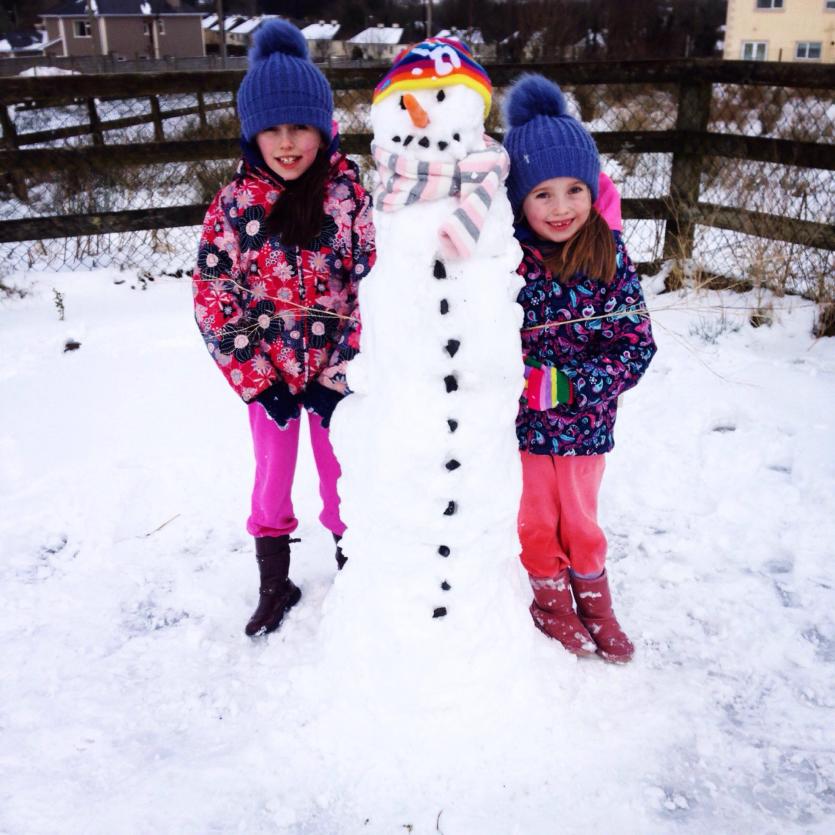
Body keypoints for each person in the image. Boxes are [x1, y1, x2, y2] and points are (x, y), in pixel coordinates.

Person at [192, 21, 375, 637]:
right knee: (272, 478)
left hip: (335, 376)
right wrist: (258, 378)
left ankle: (358, 569)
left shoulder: (348, 197)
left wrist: (341, 369)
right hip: (265, 372)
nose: (287, 142)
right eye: (272, 129)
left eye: (299, 127)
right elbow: (214, 296)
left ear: (323, 129)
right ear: (252, 134)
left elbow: (372, 284)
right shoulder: (235, 207)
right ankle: (276, 580)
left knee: (341, 474)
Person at [502, 75, 657, 663]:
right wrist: (518, 382)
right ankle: (551, 602)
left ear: (594, 189)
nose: (561, 207)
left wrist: (570, 385)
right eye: (542, 194)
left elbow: (636, 346)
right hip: (524, 428)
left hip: (586, 424)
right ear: (519, 201)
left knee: (582, 522)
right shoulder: (509, 266)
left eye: (574, 189)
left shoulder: (609, 256)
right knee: (536, 520)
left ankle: (597, 602)